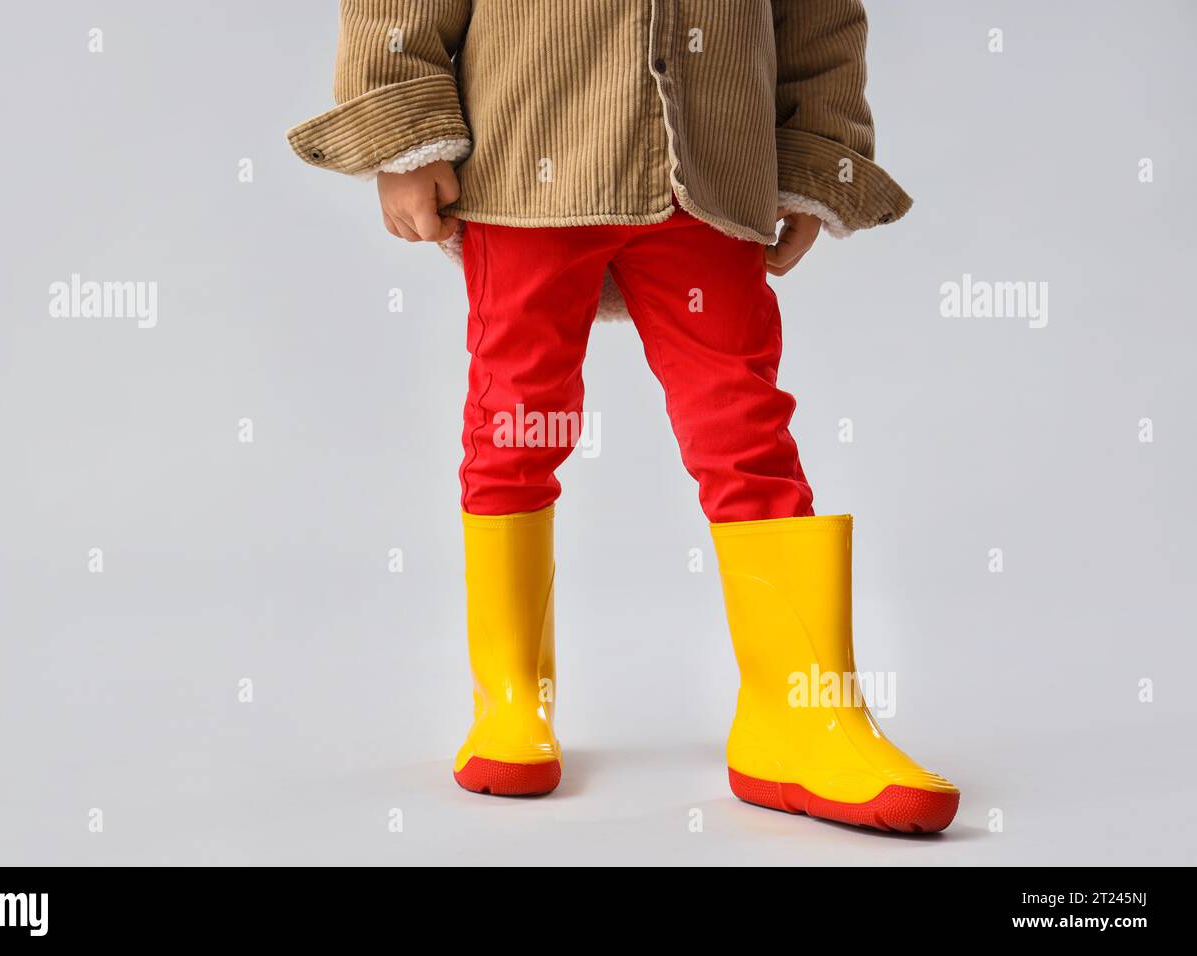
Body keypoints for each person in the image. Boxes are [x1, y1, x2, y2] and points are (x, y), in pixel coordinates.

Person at [288, 0, 959, 832]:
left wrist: (815, 155)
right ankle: (510, 703)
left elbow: (819, 12)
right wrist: (399, 130)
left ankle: (797, 715)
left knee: (746, 429)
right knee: (517, 422)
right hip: (529, 150)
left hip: (709, 170)